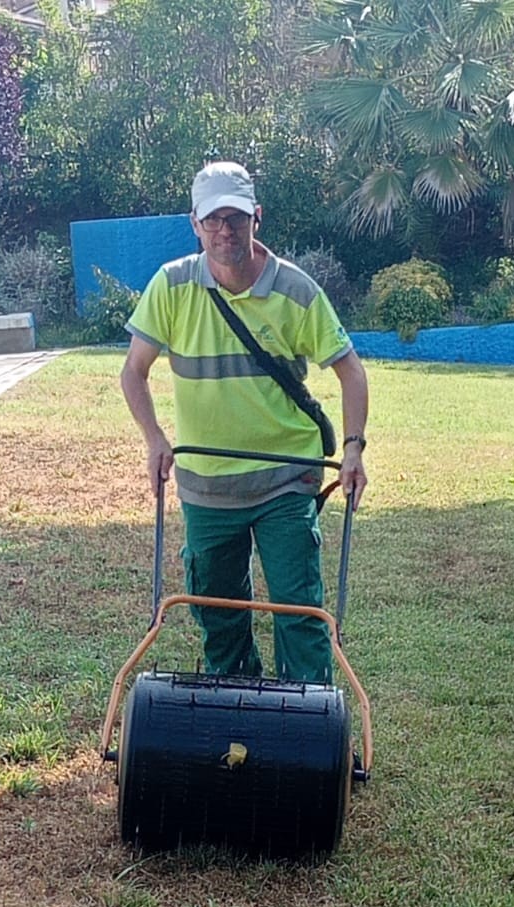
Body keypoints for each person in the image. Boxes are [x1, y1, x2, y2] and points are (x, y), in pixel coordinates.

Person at [120, 161, 369, 685]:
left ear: (256, 218)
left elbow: (351, 372)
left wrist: (352, 448)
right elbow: (134, 372)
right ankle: (234, 711)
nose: (225, 231)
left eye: (235, 217)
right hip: (206, 486)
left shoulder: (296, 292)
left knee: (297, 609)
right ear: (195, 224)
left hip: (285, 479)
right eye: (213, 220)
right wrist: (154, 439)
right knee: (217, 611)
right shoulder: (171, 286)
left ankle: (304, 722)